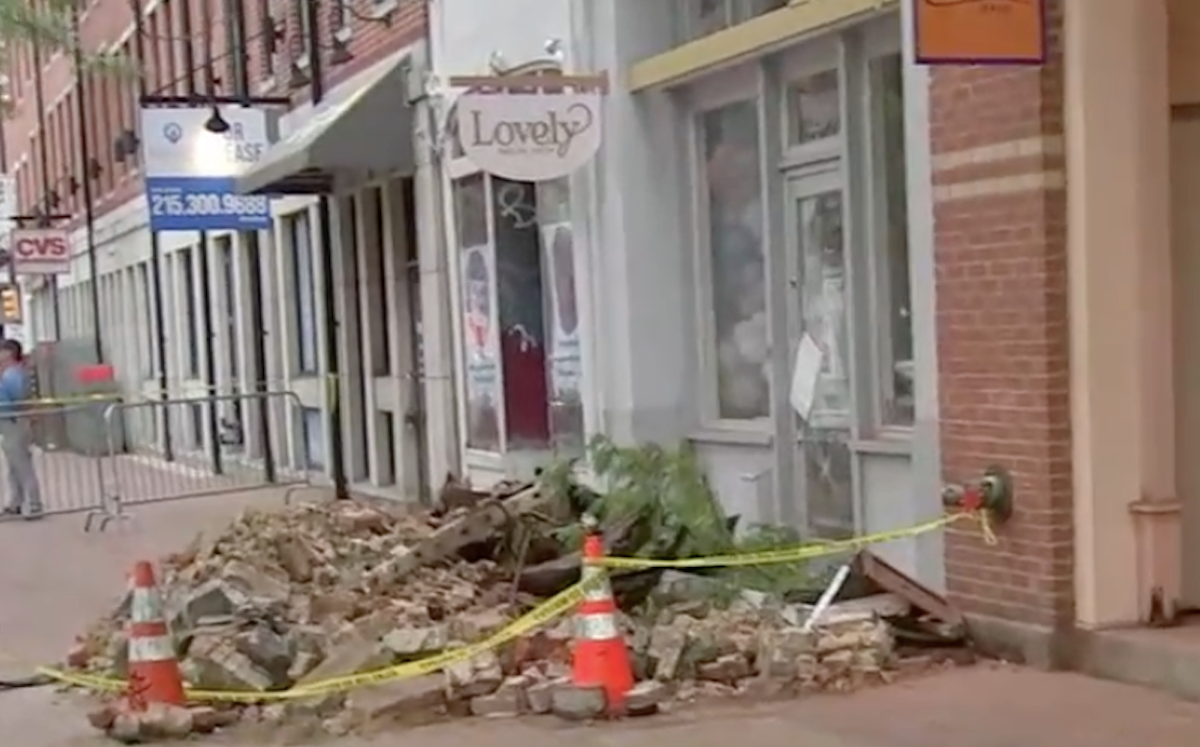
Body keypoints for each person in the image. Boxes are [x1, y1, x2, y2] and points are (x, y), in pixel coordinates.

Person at [0, 340, 41, 520]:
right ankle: (15, 502)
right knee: (13, 465)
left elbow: (16, 399)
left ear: (9, 354)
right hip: (10, 421)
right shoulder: (11, 373)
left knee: (21, 465)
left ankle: (34, 504)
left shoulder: (12, 375)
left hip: (13, 421)